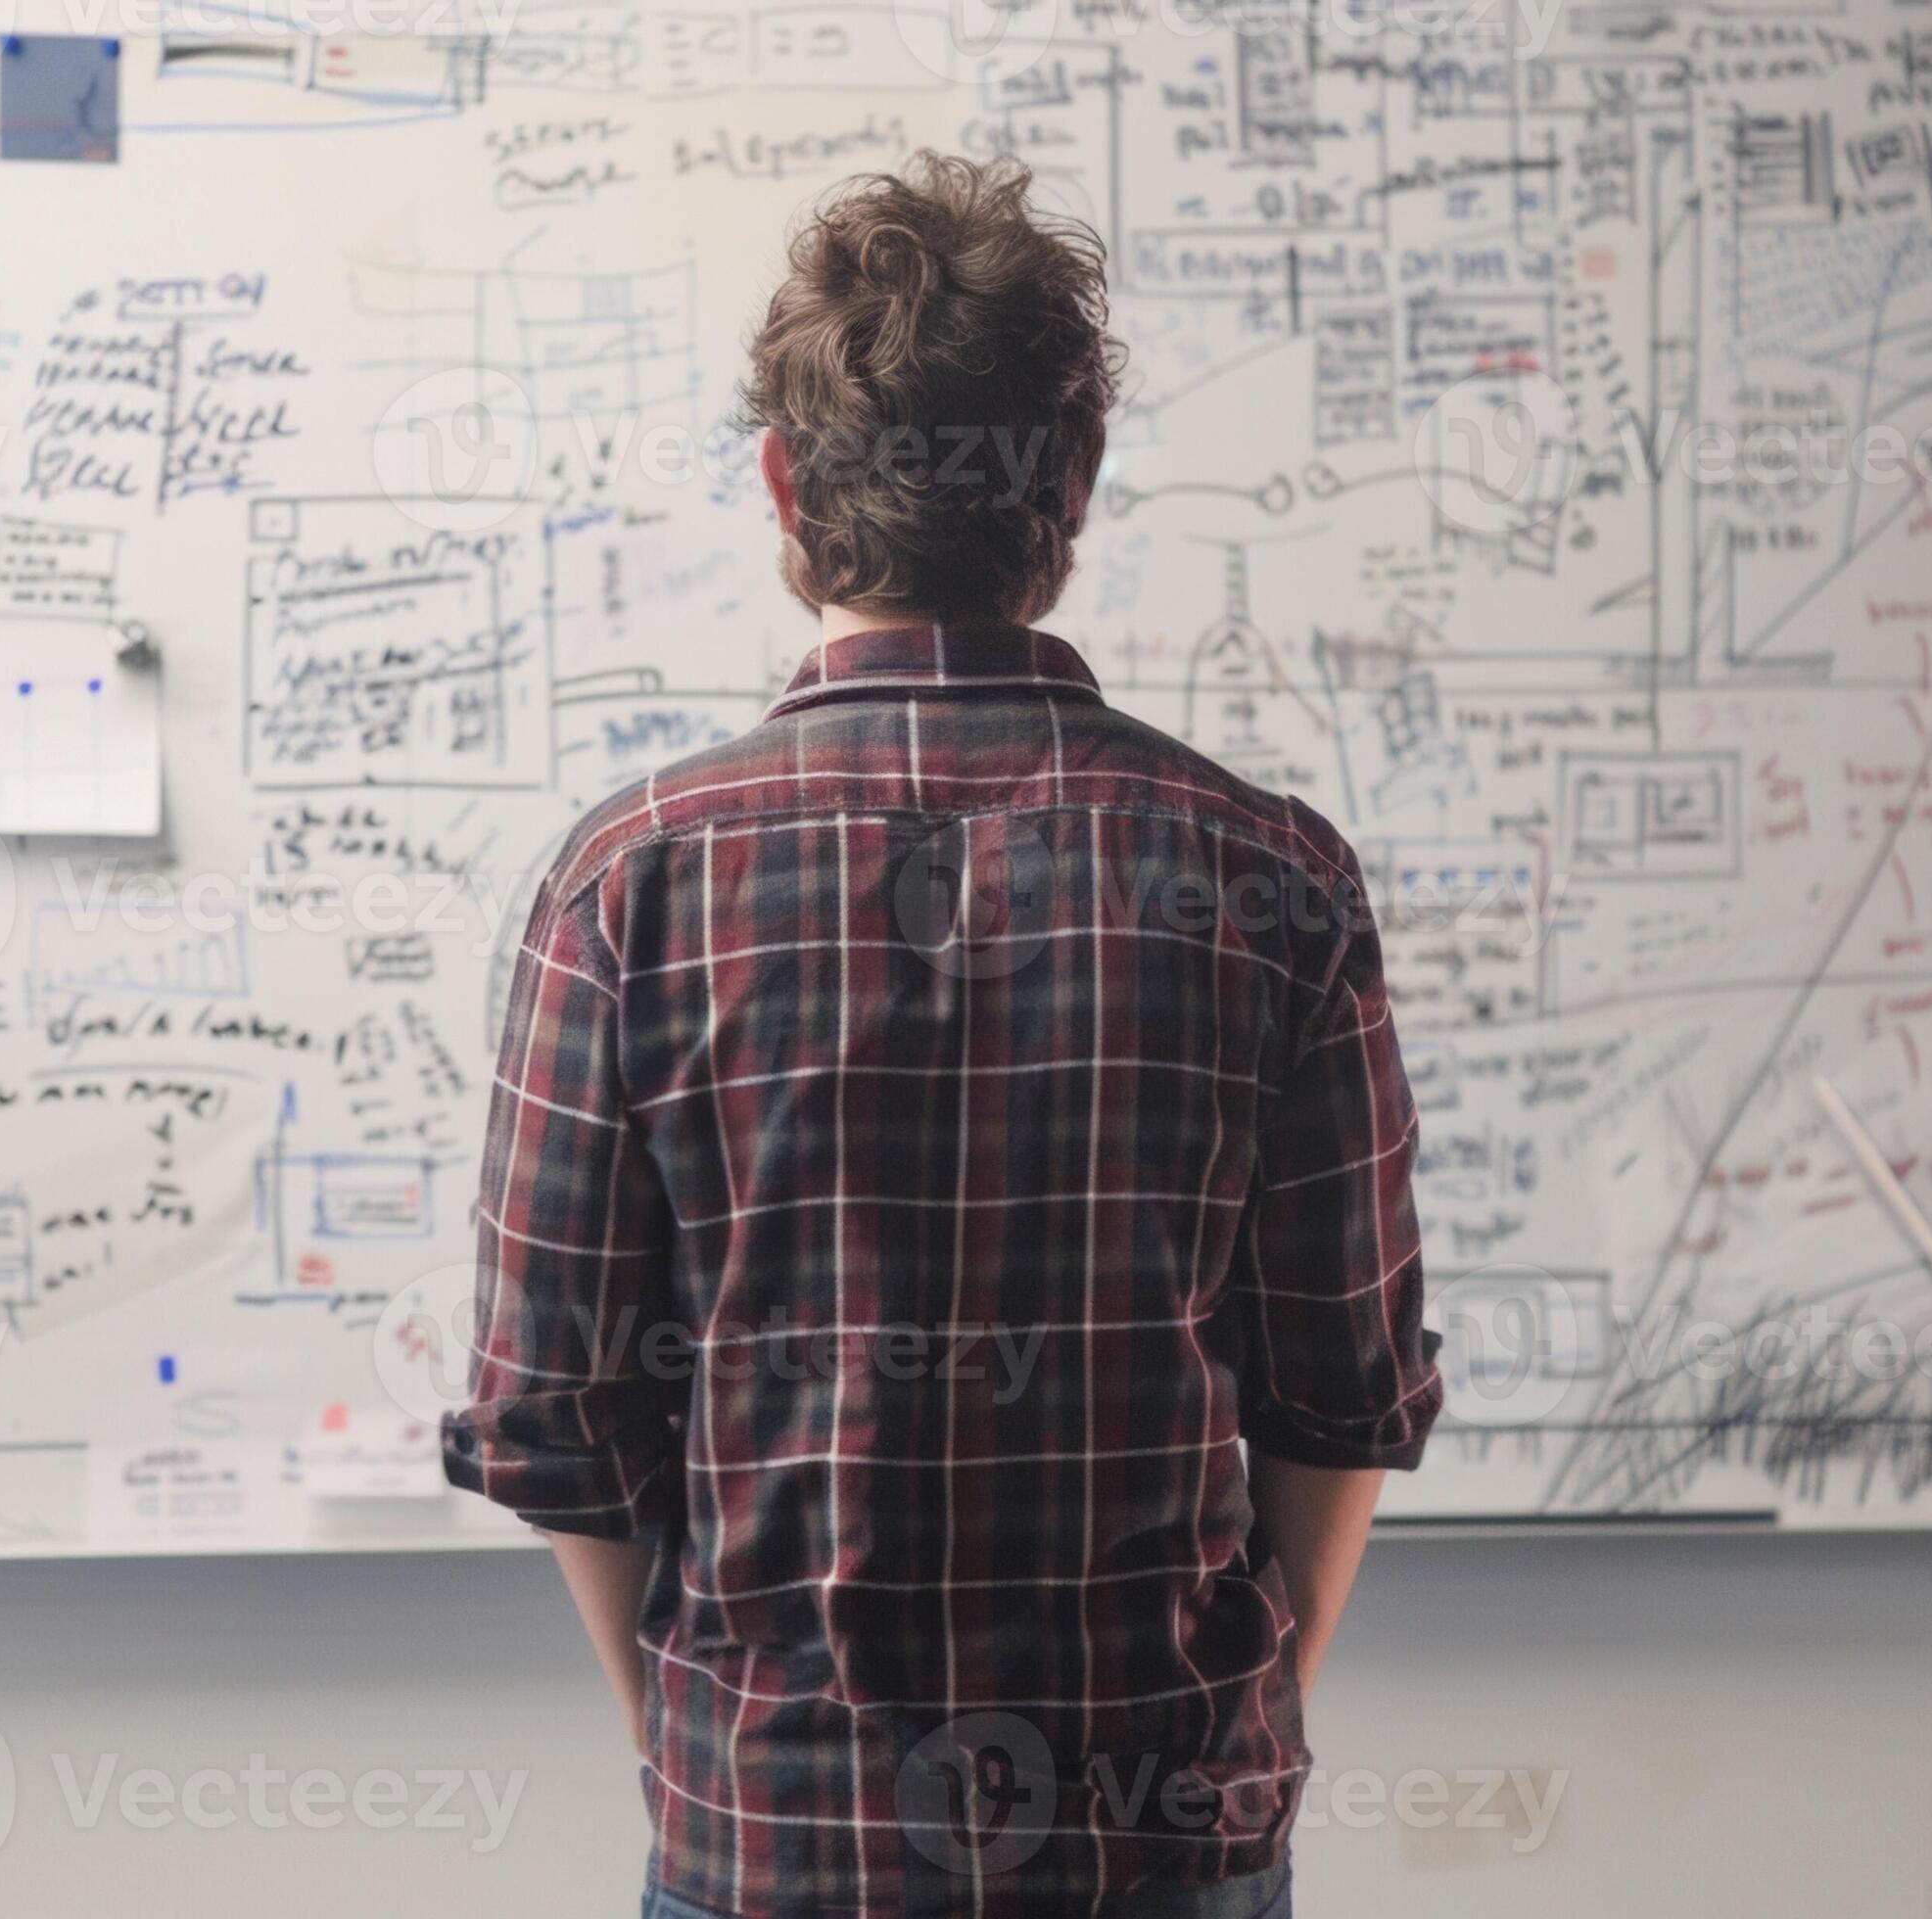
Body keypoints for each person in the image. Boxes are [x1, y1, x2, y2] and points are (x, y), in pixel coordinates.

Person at [442, 151, 1440, 1918]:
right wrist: (1246, 1716)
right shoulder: (1272, 875)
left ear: (780, 478)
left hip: (769, 1839)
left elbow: (548, 1414)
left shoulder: (627, 883)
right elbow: (1340, 1397)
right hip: (1166, 1835)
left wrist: (700, 1744)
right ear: (1071, 480)